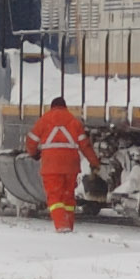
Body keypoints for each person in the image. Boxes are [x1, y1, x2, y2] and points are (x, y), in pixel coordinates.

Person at [23, 96, 97, 234]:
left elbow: (31, 140)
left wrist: (33, 153)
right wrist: (94, 162)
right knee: (68, 197)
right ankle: (68, 225)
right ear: (65, 107)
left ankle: (62, 226)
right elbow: (85, 145)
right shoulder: (74, 121)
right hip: (71, 166)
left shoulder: (45, 120)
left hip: (51, 167)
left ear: (52, 107)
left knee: (54, 197)